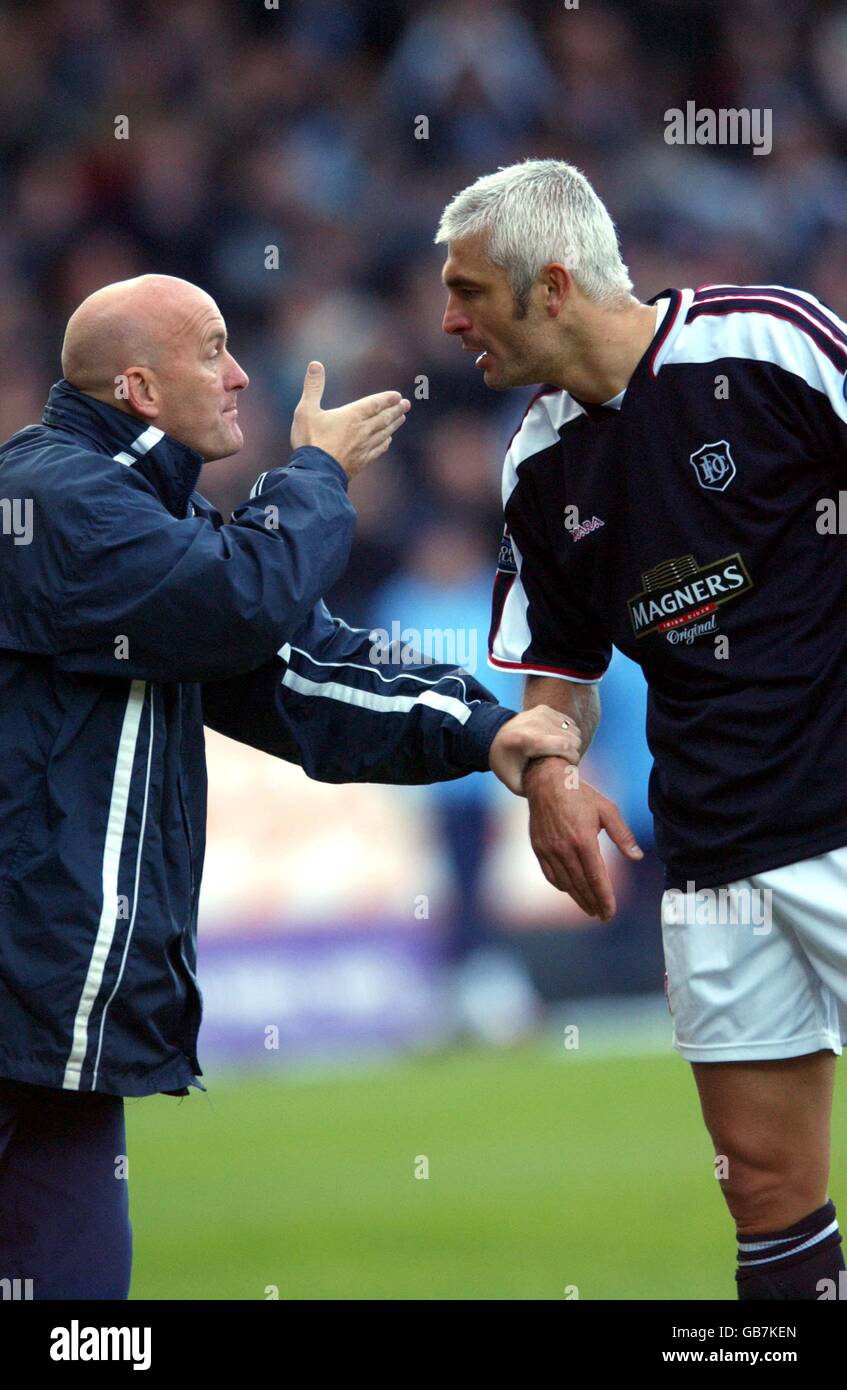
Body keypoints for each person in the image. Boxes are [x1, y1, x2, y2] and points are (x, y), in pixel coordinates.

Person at [0, 273, 581, 1300]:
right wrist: (313, 473)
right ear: (137, 387)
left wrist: (492, 733)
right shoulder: (49, 499)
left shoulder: (147, 529)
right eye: (212, 351)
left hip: (56, 1026)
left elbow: (306, 679)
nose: (237, 375)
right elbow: (240, 599)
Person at [436, 157, 847, 1301]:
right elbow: (558, 677)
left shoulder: (772, 345)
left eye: (468, 290)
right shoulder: (537, 461)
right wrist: (553, 775)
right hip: (714, 863)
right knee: (764, 1193)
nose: (448, 316)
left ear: (551, 284)